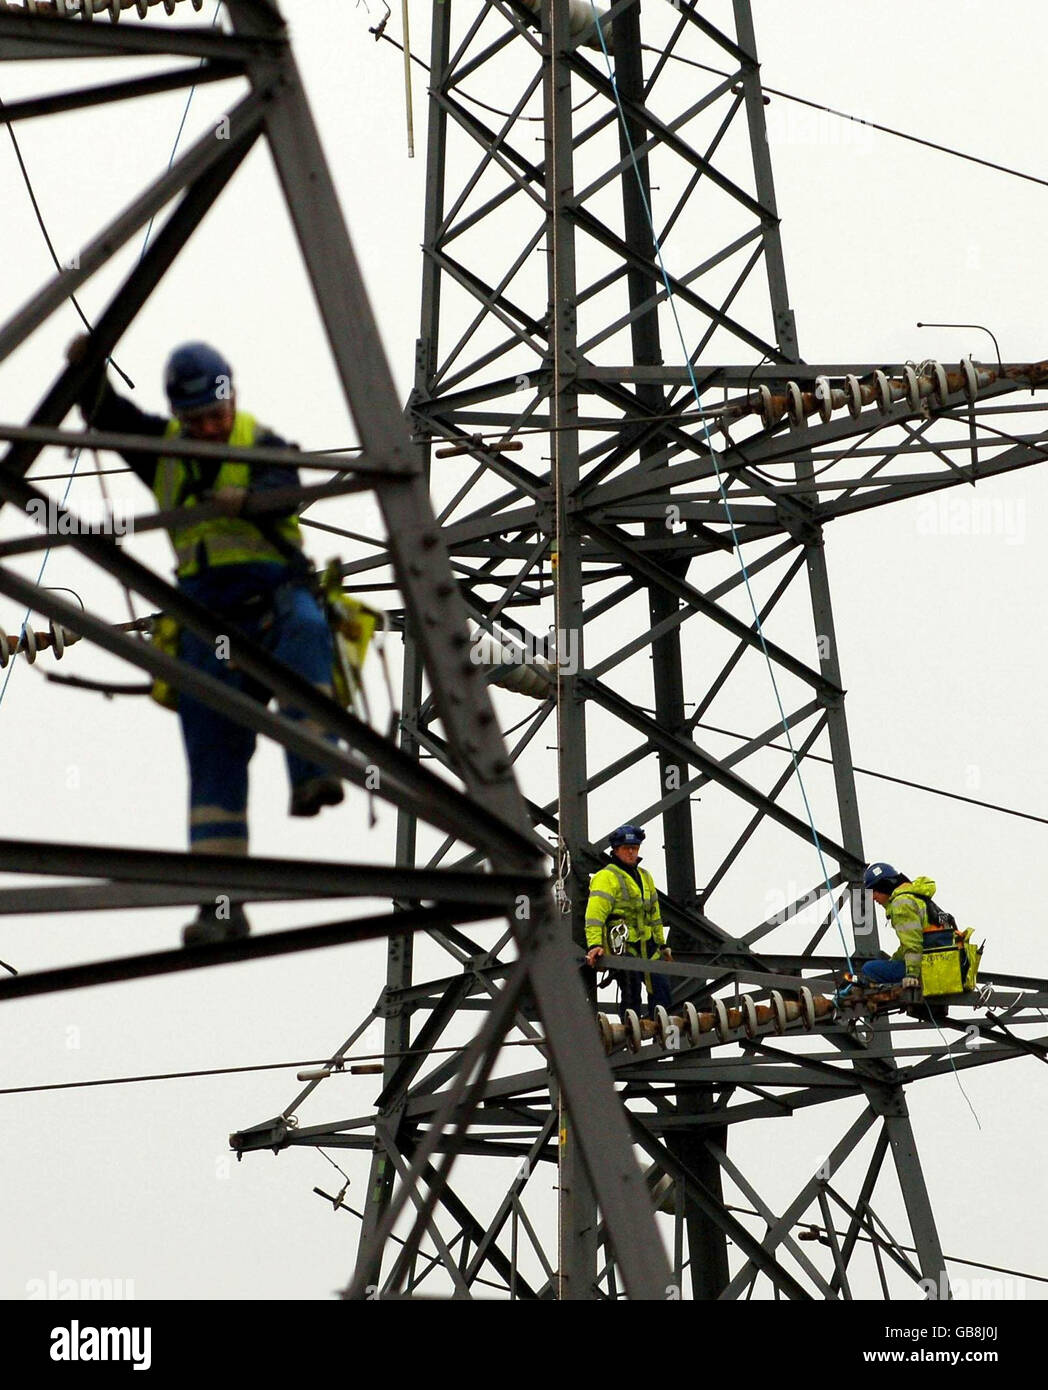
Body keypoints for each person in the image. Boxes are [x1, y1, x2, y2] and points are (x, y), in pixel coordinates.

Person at [67, 336, 344, 945]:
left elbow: (288, 488)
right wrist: (86, 372)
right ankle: (221, 907)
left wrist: (250, 501)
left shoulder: (260, 443)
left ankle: (314, 768)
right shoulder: (164, 451)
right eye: (198, 421)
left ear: (231, 400)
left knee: (306, 634)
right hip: (208, 623)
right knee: (212, 754)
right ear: (180, 416)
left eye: (217, 416)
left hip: (273, 602)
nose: (211, 429)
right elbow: (112, 417)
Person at [584, 823, 673, 1020]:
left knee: (662, 988)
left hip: (648, 945)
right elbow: (595, 916)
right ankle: (630, 1028)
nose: (631, 852)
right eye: (627, 848)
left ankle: (658, 1025)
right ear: (616, 850)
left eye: (635, 848)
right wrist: (595, 945)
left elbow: (655, 916)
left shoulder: (645, 877)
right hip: (622, 945)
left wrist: (662, 945)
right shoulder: (606, 877)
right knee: (631, 989)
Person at [859, 862, 957, 988]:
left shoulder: (901, 904)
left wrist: (911, 974)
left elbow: (913, 944)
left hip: (928, 966)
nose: (873, 897)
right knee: (886, 965)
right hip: (943, 964)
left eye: (874, 891)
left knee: (869, 969)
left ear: (885, 886)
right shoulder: (915, 898)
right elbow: (908, 946)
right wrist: (893, 961)